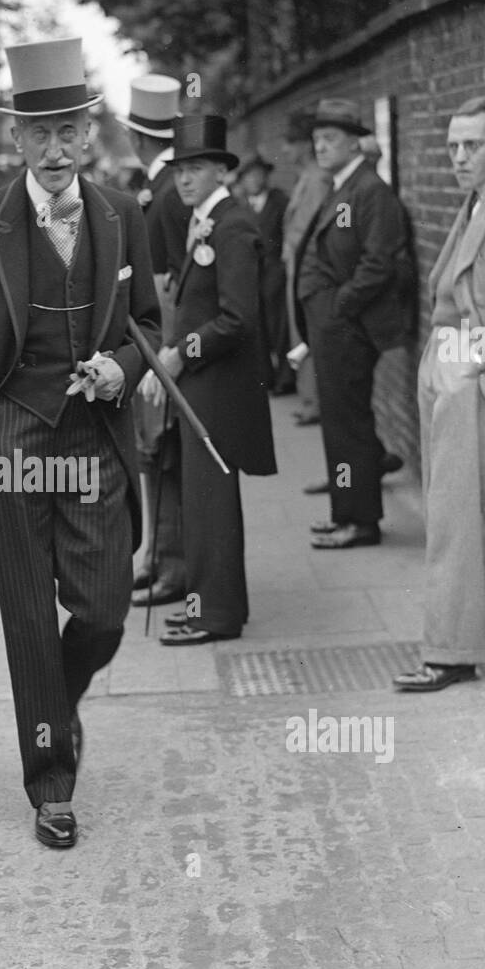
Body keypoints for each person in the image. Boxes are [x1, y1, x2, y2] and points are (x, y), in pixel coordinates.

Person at [0, 37, 161, 850]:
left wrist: (121, 370)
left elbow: (151, 326)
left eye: (70, 131)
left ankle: (55, 708)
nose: (56, 150)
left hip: (93, 439)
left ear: (89, 133)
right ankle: (51, 784)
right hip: (14, 445)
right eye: (40, 134)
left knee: (102, 611)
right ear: (16, 140)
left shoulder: (123, 216)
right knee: (29, 619)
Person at [394, 97, 485, 692]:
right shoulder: (479, 199)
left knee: (453, 516)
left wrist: (465, 364)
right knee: (471, 509)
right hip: (456, 374)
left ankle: (451, 652)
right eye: (453, 146)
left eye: (471, 145)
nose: (458, 156)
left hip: (476, 377)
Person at [143, 114, 277, 646]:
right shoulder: (207, 219)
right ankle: (207, 607)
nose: (184, 178)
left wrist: (179, 354)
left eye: (196, 167)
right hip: (203, 386)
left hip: (218, 387)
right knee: (200, 503)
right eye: (179, 169)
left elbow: (238, 317)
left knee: (211, 506)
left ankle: (217, 616)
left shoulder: (233, 224)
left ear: (221, 170)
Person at [295, 98, 409, 549]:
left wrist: (338, 306)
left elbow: (379, 262)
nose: (321, 147)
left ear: (354, 142)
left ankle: (361, 523)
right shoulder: (344, 185)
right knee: (339, 424)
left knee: (350, 426)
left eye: (331, 139)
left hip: (348, 327)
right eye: (317, 139)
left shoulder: (369, 190)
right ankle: (345, 513)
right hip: (333, 326)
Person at [120, 73, 189, 607]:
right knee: (155, 454)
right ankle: (159, 558)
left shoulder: (163, 193)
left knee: (161, 453)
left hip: (161, 344)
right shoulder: (163, 188)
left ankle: (171, 565)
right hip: (159, 342)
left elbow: (167, 285)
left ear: (136, 138)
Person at [281, 109, 329, 426]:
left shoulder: (317, 179)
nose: (285, 150)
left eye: (290, 143)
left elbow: (309, 226)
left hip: (302, 266)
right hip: (293, 264)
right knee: (298, 332)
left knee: (304, 331)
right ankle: (308, 398)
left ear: (302, 146)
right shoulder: (307, 178)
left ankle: (314, 402)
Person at [238, 151, 291, 394]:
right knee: (258, 329)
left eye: (259, 175)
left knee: (279, 328)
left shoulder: (279, 201)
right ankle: (266, 378)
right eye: (250, 177)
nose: (256, 181)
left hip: (274, 273)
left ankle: (284, 379)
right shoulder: (242, 206)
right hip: (252, 276)